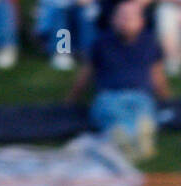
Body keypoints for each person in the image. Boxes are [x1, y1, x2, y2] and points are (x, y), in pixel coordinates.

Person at [67, 0, 170, 161]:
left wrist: (71, 100)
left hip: (114, 97)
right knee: (141, 115)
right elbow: (158, 78)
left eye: (130, 18)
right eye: (123, 17)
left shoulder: (100, 42)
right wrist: (167, 100)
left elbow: (84, 77)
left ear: (142, 22)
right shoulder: (148, 42)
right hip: (131, 97)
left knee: (111, 118)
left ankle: (123, 138)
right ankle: (139, 137)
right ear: (112, 20)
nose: (126, 21)